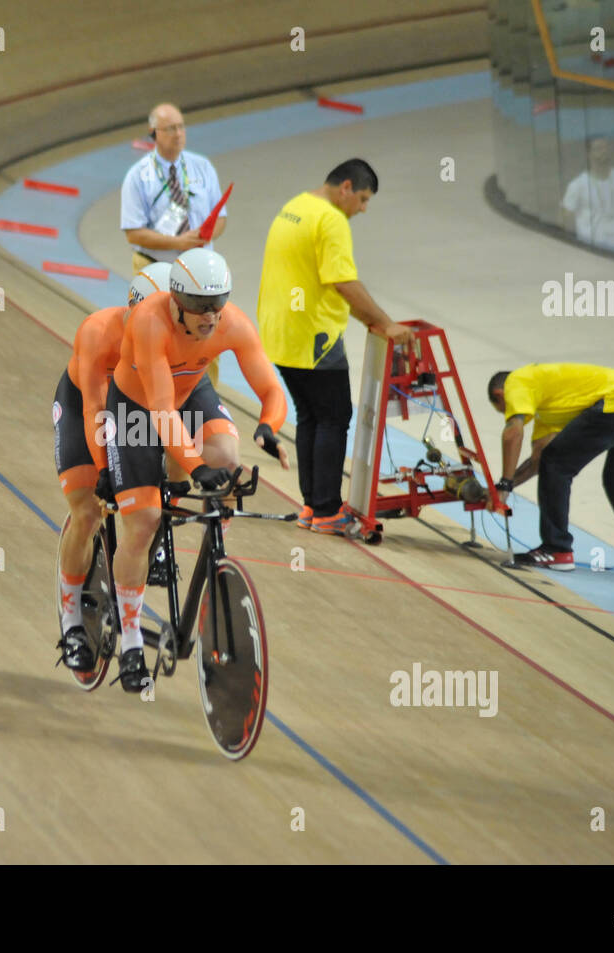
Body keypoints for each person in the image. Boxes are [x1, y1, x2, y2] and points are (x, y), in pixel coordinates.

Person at [101, 249, 289, 691]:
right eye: (201, 308)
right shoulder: (150, 321)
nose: (211, 316)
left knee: (228, 459)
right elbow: (162, 413)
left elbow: (270, 388)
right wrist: (194, 465)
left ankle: (204, 544)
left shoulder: (232, 322)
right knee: (144, 521)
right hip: (136, 407)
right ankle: (129, 639)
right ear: (176, 302)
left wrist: (268, 427)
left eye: (218, 304)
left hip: (190, 391)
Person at [256, 158, 415, 537]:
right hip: (314, 337)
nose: (362, 208)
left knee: (311, 416)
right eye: (361, 199)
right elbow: (344, 282)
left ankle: (312, 505)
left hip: (280, 332)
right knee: (333, 416)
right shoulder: (331, 220)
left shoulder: (295, 206)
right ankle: (327, 510)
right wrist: (384, 321)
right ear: (345, 187)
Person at [54, 263, 174, 672]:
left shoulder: (174, 333)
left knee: (152, 500)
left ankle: (146, 549)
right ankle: (71, 621)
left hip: (135, 406)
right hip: (88, 407)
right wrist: (106, 470)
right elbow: (94, 408)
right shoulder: (97, 331)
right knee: (87, 512)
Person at [487, 364, 614, 584]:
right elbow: (538, 462)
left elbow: (513, 432)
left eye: (503, 408)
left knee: (557, 462)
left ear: (499, 394)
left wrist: (503, 484)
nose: (508, 412)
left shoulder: (516, 382)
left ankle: (556, 549)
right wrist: (502, 489)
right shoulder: (547, 408)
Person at [120, 103, 227, 272]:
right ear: (153, 133)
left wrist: (200, 238)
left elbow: (220, 217)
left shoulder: (203, 166)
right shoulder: (137, 176)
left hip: (200, 267)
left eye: (181, 127)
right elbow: (133, 233)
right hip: (157, 269)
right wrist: (178, 243)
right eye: (170, 129)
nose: (178, 134)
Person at [560, 137, 614, 254]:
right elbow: (564, 219)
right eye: (598, 148)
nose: (604, 151)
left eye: (606, 147)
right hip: (592, 252)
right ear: (589, 154)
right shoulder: (577, 185)